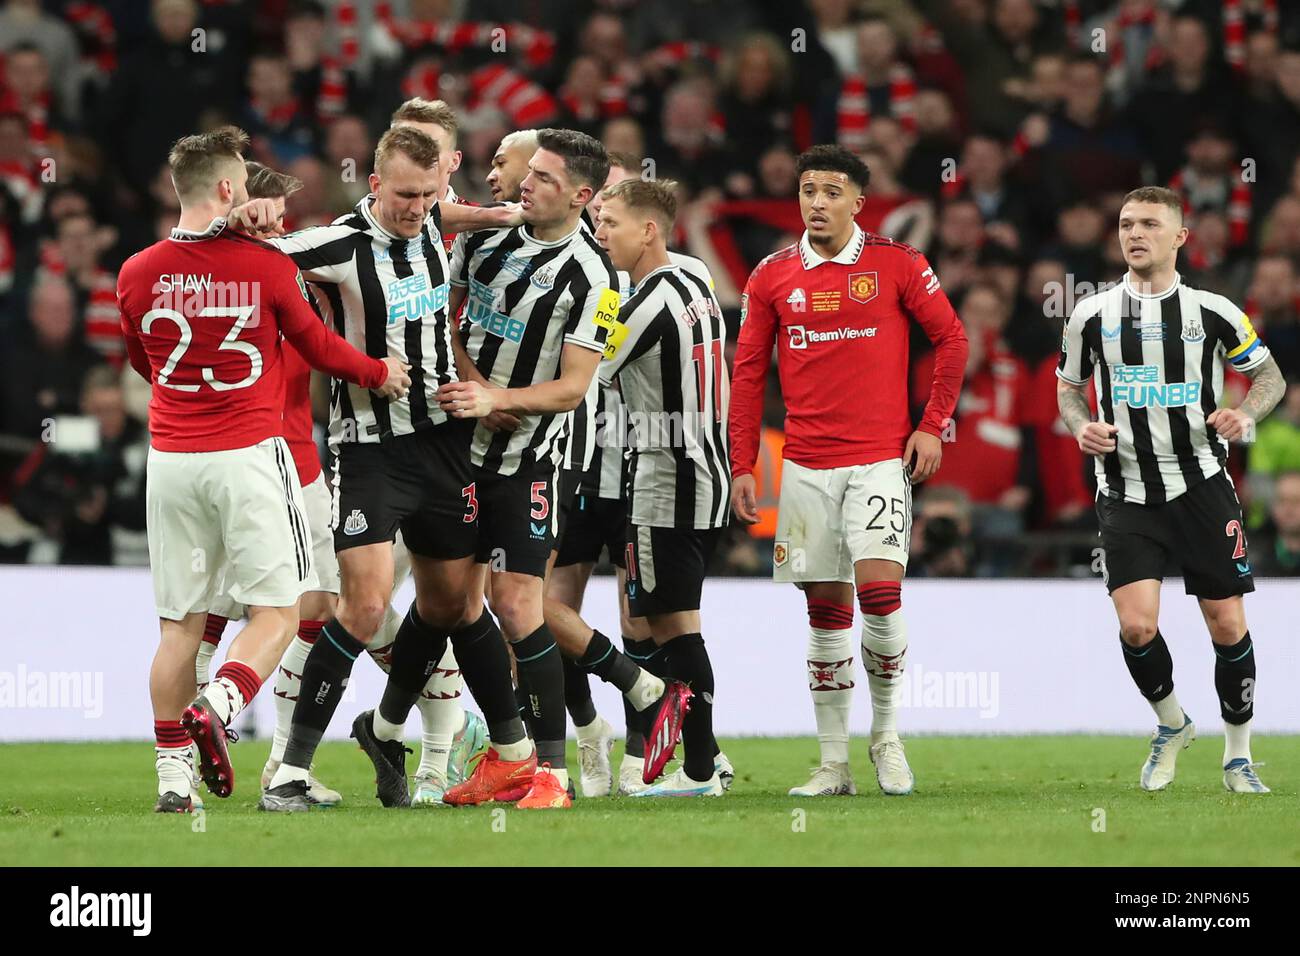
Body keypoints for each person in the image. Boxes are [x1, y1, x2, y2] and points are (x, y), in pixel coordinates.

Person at [117, 126, 408, 812]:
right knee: (278, 612)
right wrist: (381, 372)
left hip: (170, 462)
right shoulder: (265, 268)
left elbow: (143, 364)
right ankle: (220, 703)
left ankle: (172, 782)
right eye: (242, 187)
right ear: (225, 188)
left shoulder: (135, 271)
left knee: (179, 629)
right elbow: (321, 348)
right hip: (248, 456)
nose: (249, 199)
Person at [245, 126, 517, 812]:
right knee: (363, 605)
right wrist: (231, 219)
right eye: (402, 195)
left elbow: (450, 214)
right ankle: (290, 772)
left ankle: (405, 735)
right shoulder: (337, 242)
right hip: (367, 448)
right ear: (373, 185)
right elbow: (259, 259)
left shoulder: (430, 223)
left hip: (445, 445)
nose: (416, 208)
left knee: (452, 605)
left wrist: (496, 214)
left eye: (428, 195)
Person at [433, 129, 682, 809]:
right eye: (529, 173)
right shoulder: (483, 238)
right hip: (456, 451)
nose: (526, 183)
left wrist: (500, 399)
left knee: (519, 604)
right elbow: (442, 316)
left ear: (580, 194)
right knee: (458, 604)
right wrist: (472, 380)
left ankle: (550, 773)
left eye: (543, 177)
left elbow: (574, 386)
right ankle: (521, 749)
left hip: (533, 460)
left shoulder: (597, 279)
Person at [729, 144, 968, 798]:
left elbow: (952, 339)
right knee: (825, 616)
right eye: (808, 190)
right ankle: (833, 765)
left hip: (878, 462)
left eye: (832, 191)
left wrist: (931, 423)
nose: (817, 202)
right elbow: (748, 374)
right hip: (805, 468)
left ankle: (886, 736)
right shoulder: (772, 276)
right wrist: (743, 463)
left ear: (859, 203)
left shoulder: (897, 265)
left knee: (882, 599)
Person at [1056, 186, 1286, 794]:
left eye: (1150, 224)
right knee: (1136, 627)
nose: (1135, 234)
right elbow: (1068, 387)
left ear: (1180, 237)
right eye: (1127, 223)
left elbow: (1268, 375)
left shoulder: (1213, 311)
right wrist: (1083, 427)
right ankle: (1172, 723)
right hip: (1127, 490)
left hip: (1202, 486)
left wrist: (1246, 414)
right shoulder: (1091, 315)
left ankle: (1238, 756)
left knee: (1226, 624)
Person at [589, 176, 732, 796]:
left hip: (665, 481)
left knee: (675, 632)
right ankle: (706, 760)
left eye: (610, 224)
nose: (599, 235)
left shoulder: (641, 304)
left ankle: (701, 770)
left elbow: (582, 372)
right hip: (707, 472)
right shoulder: (694, 274)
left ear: (648, 230)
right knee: (672, 624)